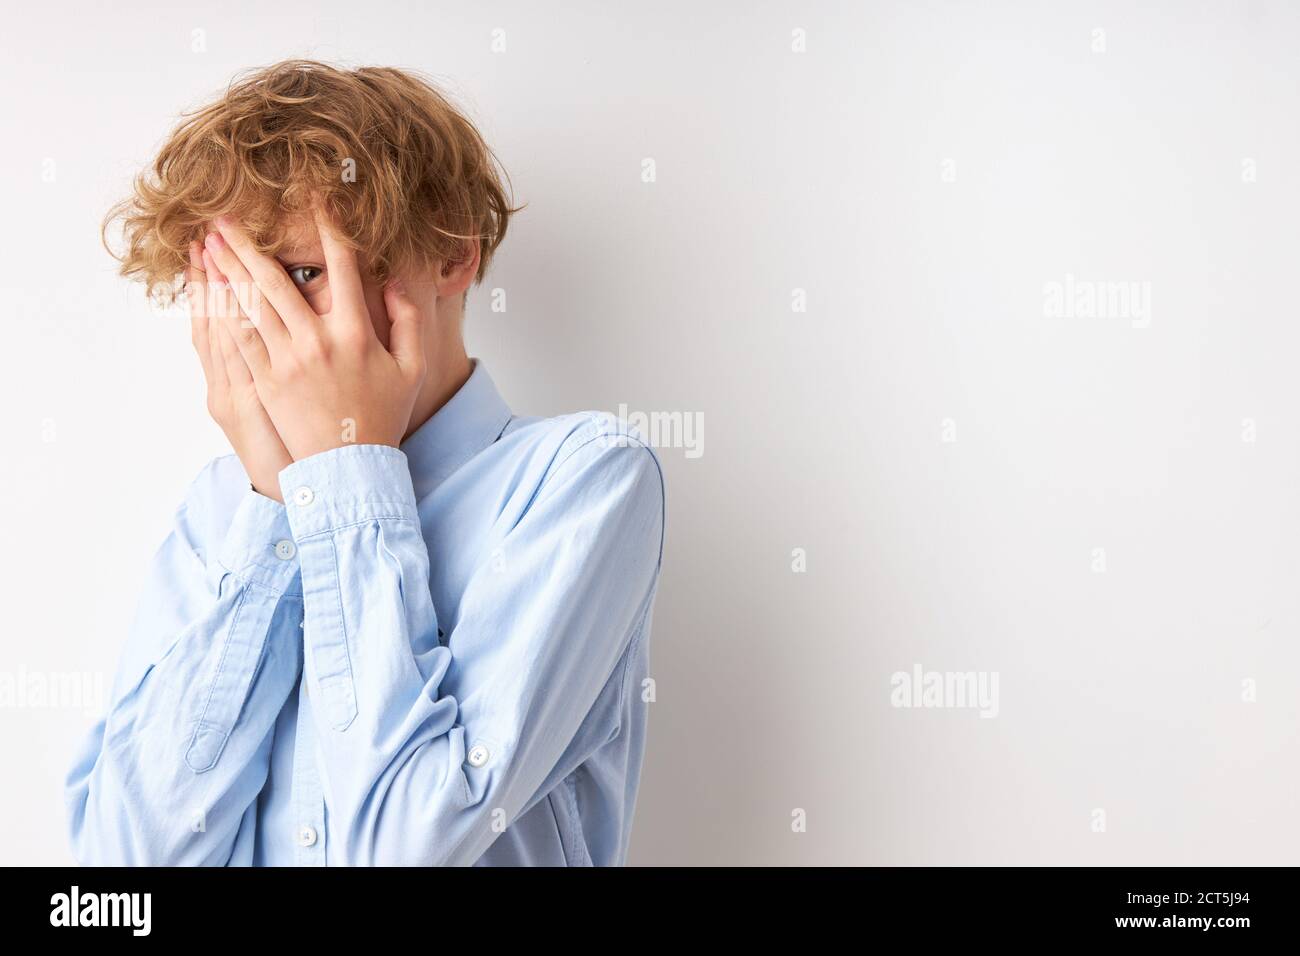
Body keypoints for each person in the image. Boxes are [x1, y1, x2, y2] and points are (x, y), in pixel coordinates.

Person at [64, 59, 665, 866]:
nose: (262, 331)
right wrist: (277, 501)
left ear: (452, 254)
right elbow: (122, 870)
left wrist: (347, 474)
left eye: (302, 276)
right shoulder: (219, 511)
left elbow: (407, 845)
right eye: (232, 290)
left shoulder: (580, 478)